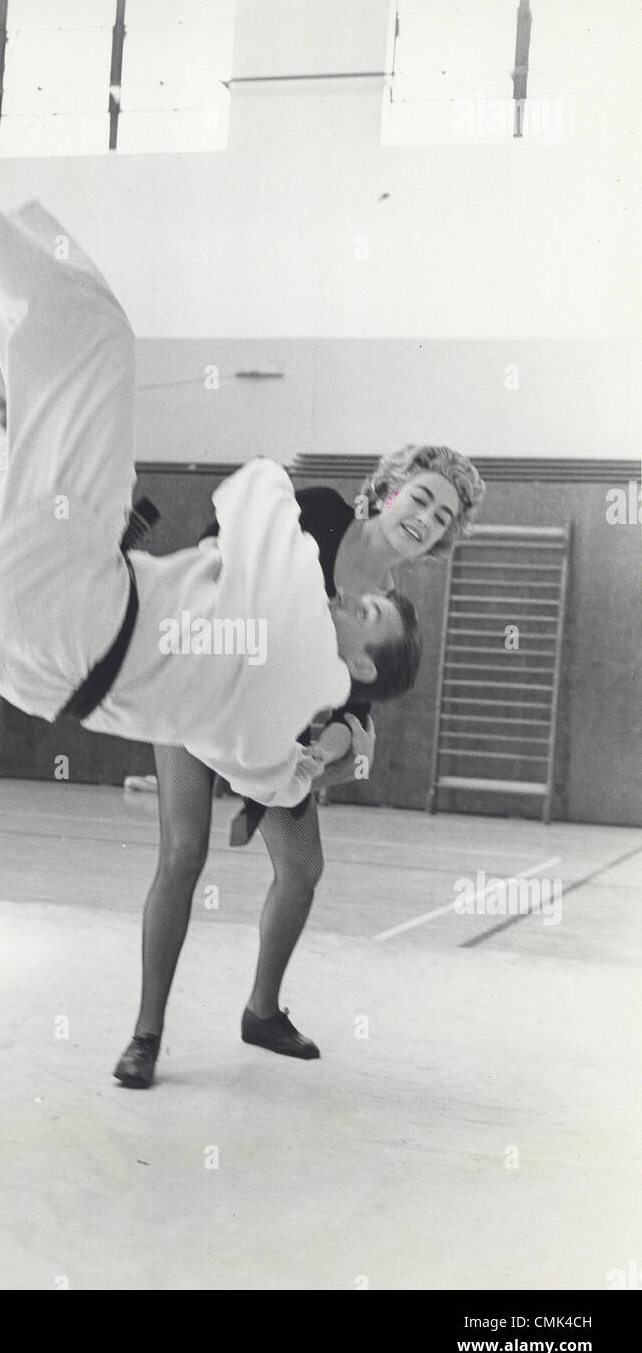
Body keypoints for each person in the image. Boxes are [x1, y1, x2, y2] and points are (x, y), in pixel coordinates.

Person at [0, 78, 421, 839]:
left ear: (359, 667)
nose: (347, 599)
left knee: (97, 338)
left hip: (68, 614)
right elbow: (268, 780)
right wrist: (331, 755)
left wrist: (337, 719)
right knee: (9, 486)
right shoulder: (272, 722)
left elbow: (255, 492)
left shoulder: (304, 647)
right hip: (15, 658)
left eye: (366, 613)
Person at [114, 445, 485, 1087]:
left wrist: (329, 751)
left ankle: (261, 1012)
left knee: (304, 868)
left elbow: (354, 710)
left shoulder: (392, 615)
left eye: (443, 516)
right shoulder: (317, 512)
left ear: (445, 538)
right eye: (421, 497)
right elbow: (220, 550)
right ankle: (146, 1034)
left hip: (266, 727)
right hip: (197, 686)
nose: (427, 517)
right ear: (388, 491)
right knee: (182, 854)